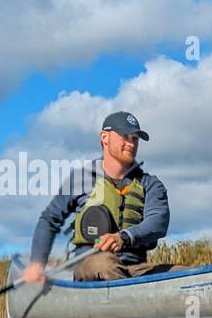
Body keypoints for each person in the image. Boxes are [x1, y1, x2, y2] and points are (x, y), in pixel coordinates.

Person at [23, 111, 174, 283]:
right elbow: (49, 219)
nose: (131, 143)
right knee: (105, 264)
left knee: (183, 274)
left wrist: (122, 237)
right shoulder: (81, 179)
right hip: (91, 264)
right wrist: (37, 264)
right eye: (125, 136)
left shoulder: (151, 184)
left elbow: (158, 222)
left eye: (135, 139)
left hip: (135, 269)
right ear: (105, 137)